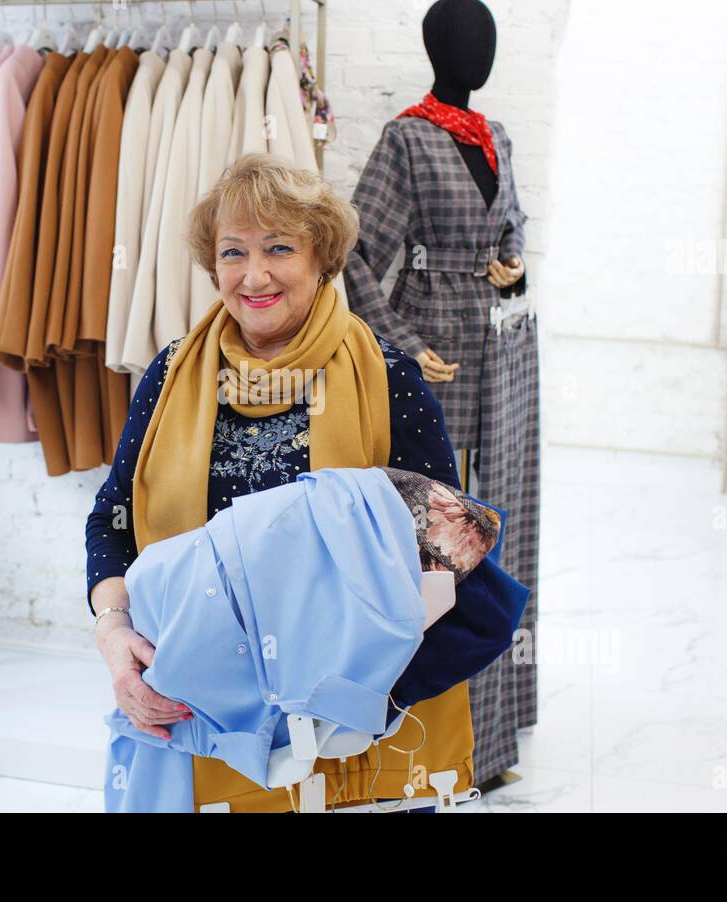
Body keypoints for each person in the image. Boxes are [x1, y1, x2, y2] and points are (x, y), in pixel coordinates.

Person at [85, 152, 483, 812]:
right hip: (205, 701)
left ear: (320, 258)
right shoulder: (170, 375)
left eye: (279, 248)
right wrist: (113, 632)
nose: (255, 274)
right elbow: (114, 519)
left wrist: (353, 684)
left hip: (349, 719)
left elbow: (447, 548)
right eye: (234, 252)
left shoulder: (387, 379)